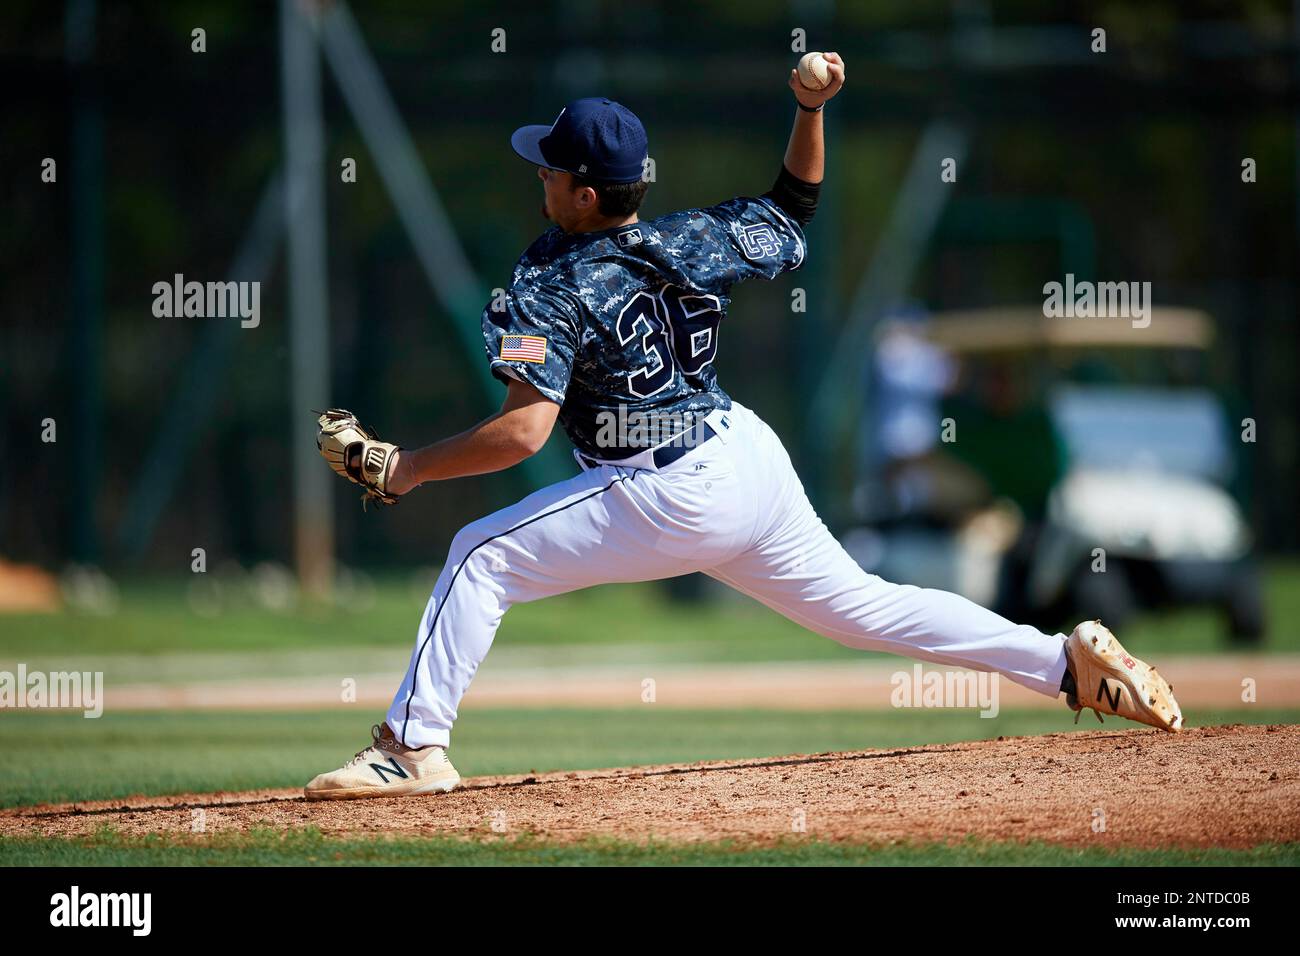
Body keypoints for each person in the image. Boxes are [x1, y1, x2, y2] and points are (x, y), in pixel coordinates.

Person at [305, 54, 1181, 801]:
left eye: (548, 169)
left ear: (582, 190)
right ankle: (1063, 664)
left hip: (666, 488)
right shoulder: (693, 238)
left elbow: (525, 434)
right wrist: (809, 110)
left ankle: (409, 749)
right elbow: (796, 203)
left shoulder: (549, 280)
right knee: (866, 608)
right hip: (742, 454)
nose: (538, 175)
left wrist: (409, 467)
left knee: (477, 555)